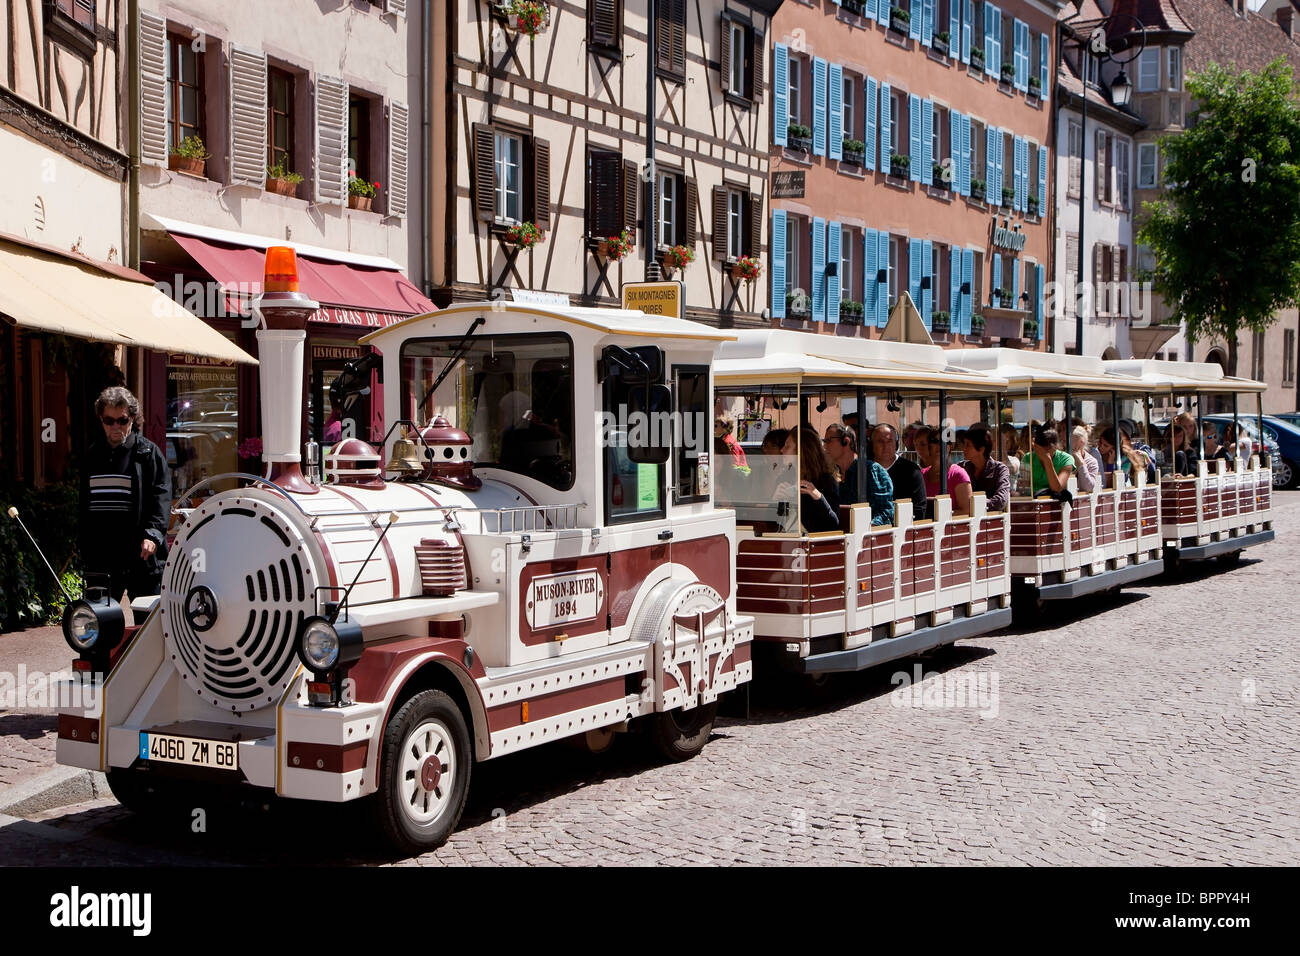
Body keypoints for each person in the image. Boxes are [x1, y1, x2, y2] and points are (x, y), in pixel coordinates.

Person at [79, 386, 171, 601]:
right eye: (108, 421)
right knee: (100, 625)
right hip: (102, 557)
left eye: (122, 420)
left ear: (132, 418)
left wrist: (153, 535)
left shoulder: (148, 453)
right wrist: (83, 544)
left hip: (141, 555)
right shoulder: (92, 456)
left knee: (145, 627)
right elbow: (84, 504)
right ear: (101, 420)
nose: (115, 427)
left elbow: (162, 497)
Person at [774, 425, 840, 533]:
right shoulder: (784, 478)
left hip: (811, 545)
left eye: (787, 446)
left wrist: (818, 497)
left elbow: (832, 525)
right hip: (785, 541)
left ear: (801, 450)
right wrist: (776, 500)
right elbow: (774, 523)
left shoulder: (824, 481)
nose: (782, 450)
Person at [826, 423, 894, 525]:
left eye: (829, 440)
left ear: (846, 441)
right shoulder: (831, 475)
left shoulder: (872, 471)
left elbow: (885, 511)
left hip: (867, 537)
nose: (825, 445)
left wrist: (866, 528)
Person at [872, 422, 928, 520]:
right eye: (880, 441)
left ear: (896, 444)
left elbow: (919, 510)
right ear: (872, 445)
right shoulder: (864, 471)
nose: (885, 446)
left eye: (889, 441)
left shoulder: (912, 471)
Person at [915, 425, 973, 514]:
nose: (940, 445)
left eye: (945, 441)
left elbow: (966, 511)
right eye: (935, 441)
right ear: (929, 445)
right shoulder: (921, 475)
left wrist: (941, 515)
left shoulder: (958, 475)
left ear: (950, 446)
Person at [960, 424, 1010, 511]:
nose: (963, 449)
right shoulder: (961, 468)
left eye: (968, 445)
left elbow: (1000, 501)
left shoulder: (1000, 470)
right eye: (964, 444)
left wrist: (972, 504)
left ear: (981, 449)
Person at [1022, 426, 1074, 498]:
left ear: (1055, 447)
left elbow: (1057, 488)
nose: (1041, 453)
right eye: (1038, 449)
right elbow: (1024, 488)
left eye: (1047, 450)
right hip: (1032, 500)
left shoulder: (1066, 459)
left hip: (1054, 503)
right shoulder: (1028, 458)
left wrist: (1047, 460)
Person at [1070, 424, 1100, 493]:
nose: (1065, 444)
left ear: (1081, 443)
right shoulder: (1062, 457)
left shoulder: (1091, 462)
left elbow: (1088, 487)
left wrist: (1081, 464)